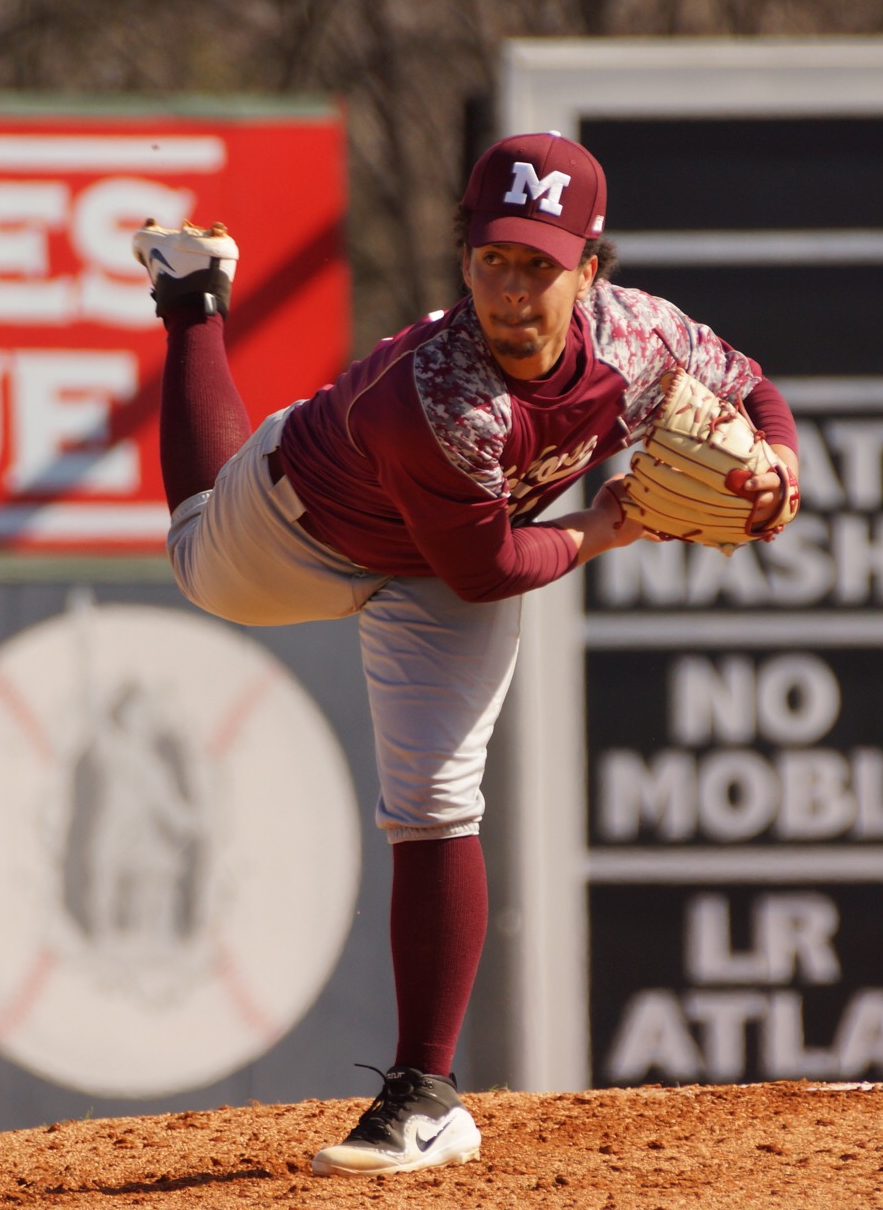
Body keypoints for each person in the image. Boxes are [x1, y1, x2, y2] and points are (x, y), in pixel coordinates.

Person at [137, 132, 798, 1177]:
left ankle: (425, 1096)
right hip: (309, 523)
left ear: (591, 268)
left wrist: (776, 467)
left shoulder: (641, 341)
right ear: (465, 263)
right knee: (193, 552)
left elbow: (752, 385)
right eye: (494, 258)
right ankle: (190, 300)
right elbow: (490, 567)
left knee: (436, 798)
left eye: (540, 263)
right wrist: (601, 528)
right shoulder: (438, 391)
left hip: (445, 562)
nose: (514, 287)